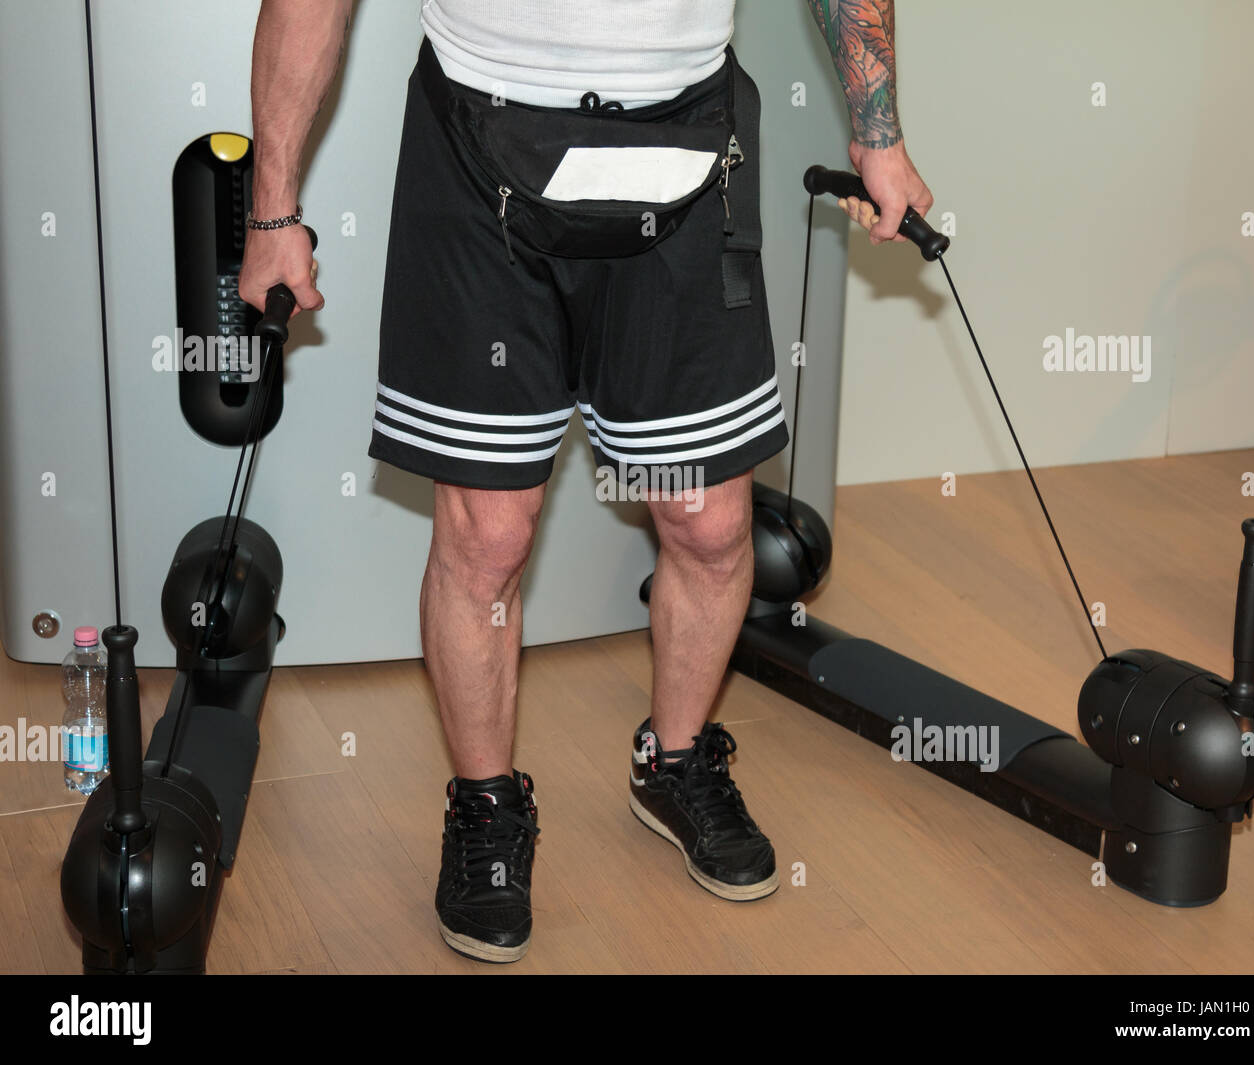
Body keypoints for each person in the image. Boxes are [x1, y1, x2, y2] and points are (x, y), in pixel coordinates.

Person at [239, 0, 933, 964]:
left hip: (690, 151)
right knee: (487, 537)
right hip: (479, 150)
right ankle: (486, 807)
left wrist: (878, 132)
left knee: (709, 525)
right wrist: (273, 208)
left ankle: (677, 759)